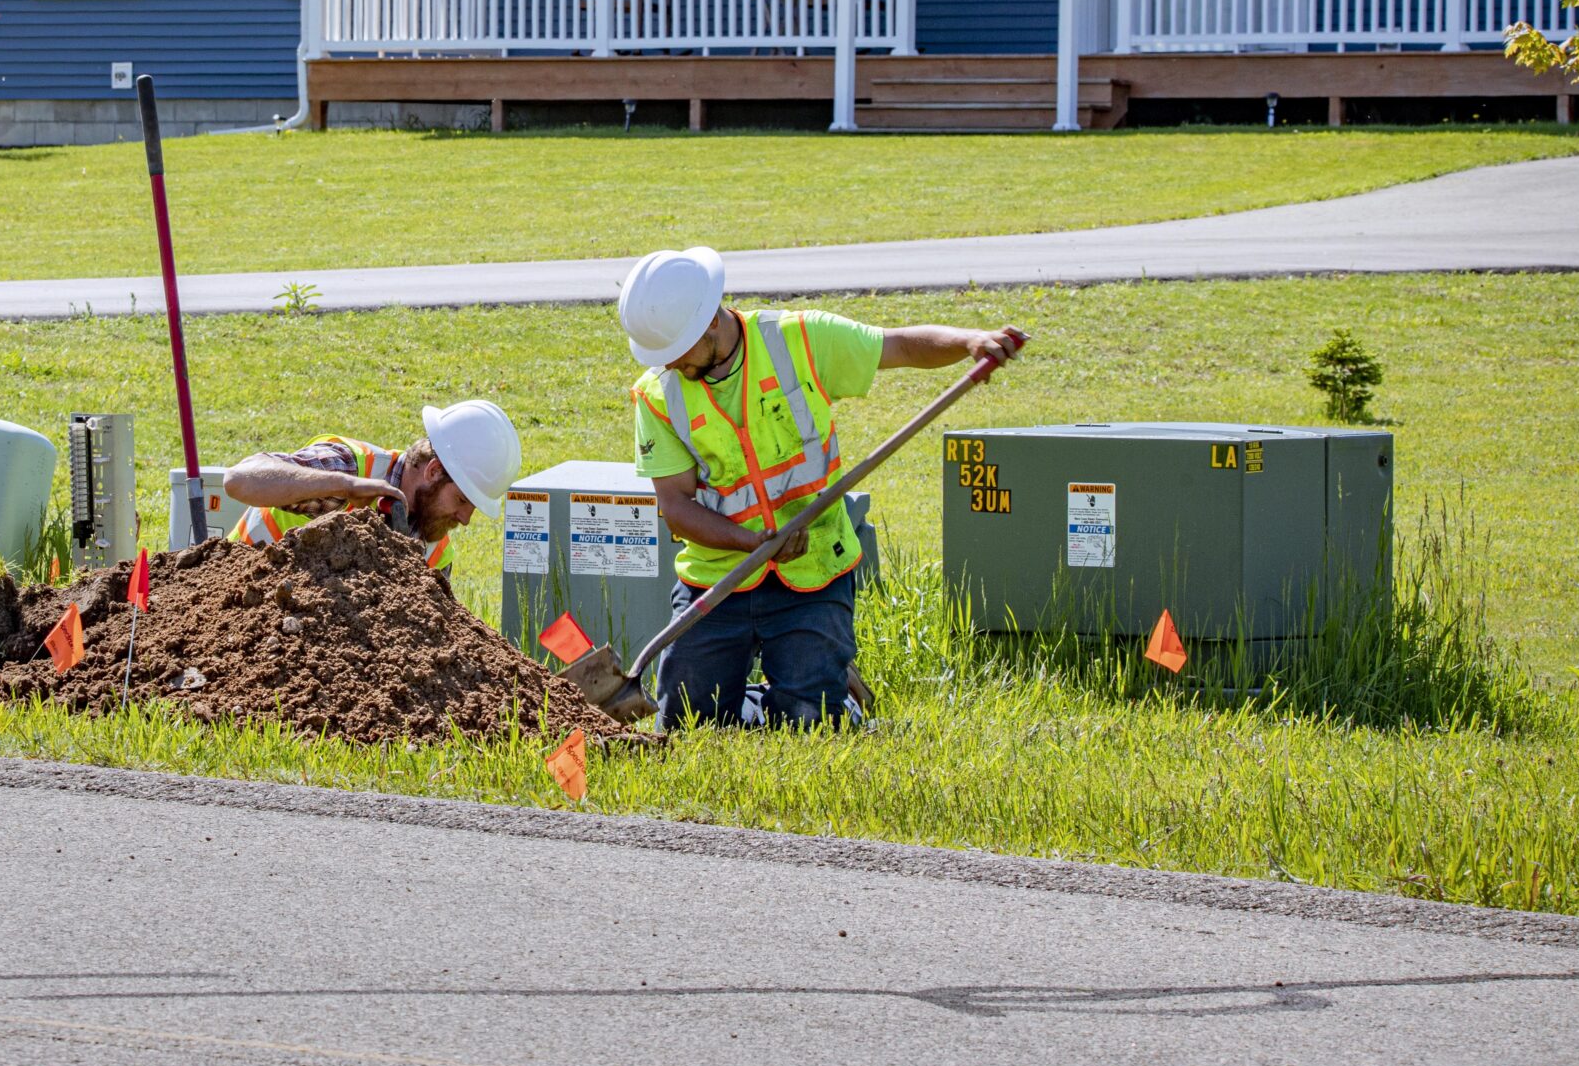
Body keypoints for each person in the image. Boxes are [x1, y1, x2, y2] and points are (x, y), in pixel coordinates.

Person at [617, 246, 1019, 730]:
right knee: (687, 723)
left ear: (708, 323)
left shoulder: (798, 340)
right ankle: (753, 701)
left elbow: (899, 346)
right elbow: (676, 507)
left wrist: (970, 341)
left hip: (814, 568)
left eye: (676, 351)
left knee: (809, 722)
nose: (671, 364)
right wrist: (755, 544)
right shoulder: (658, 394)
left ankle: (836, 696)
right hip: (718, 576)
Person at [222, 400, 521, 576]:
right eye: (461, 500)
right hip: (233, 609)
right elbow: (239, 480)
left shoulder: (436, 555)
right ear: (434, 471)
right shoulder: (351, 468)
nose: (465, 519)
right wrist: (345, 487)